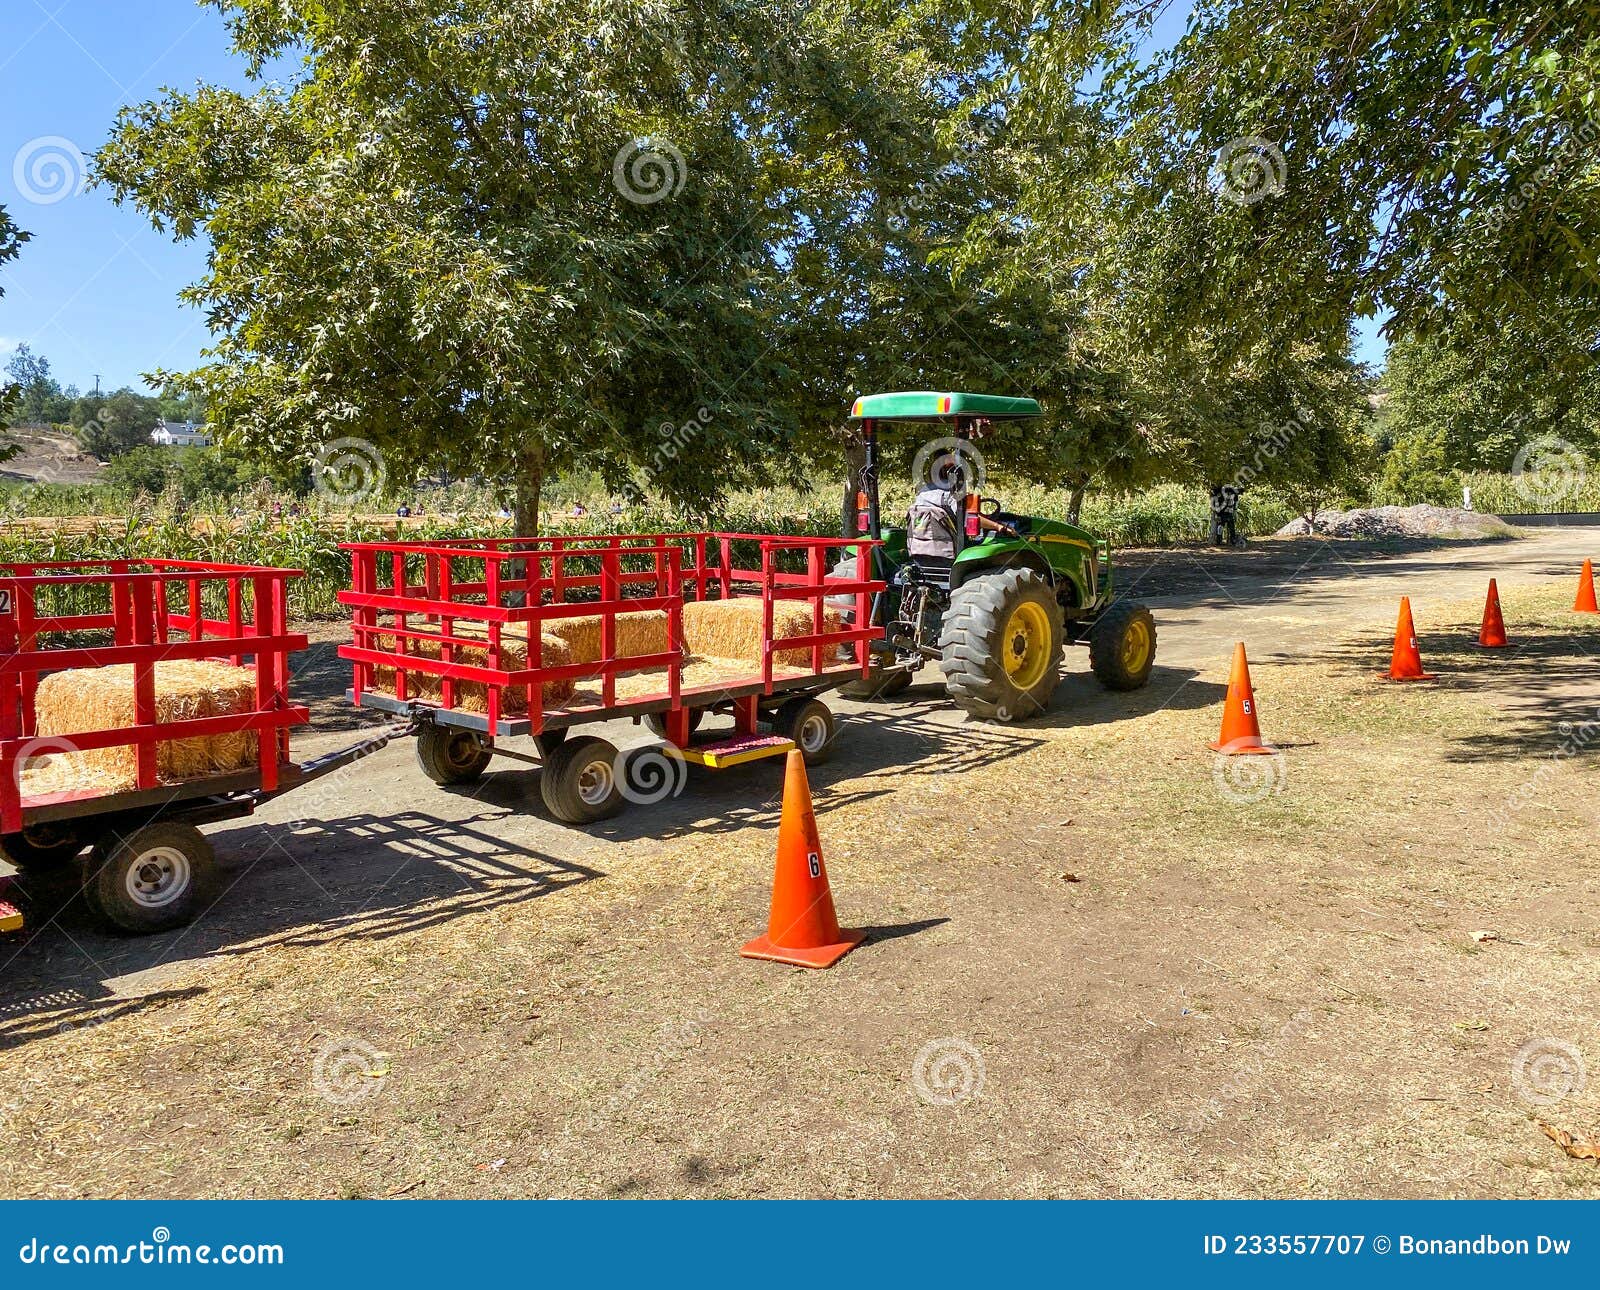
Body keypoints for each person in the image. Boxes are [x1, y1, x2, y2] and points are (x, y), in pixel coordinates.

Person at [906, 454, 1018, 565]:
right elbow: (969, 519)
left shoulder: (923, 492)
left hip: (918, 552)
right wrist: (999, 527)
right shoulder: (951, 494)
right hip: (947, 555)